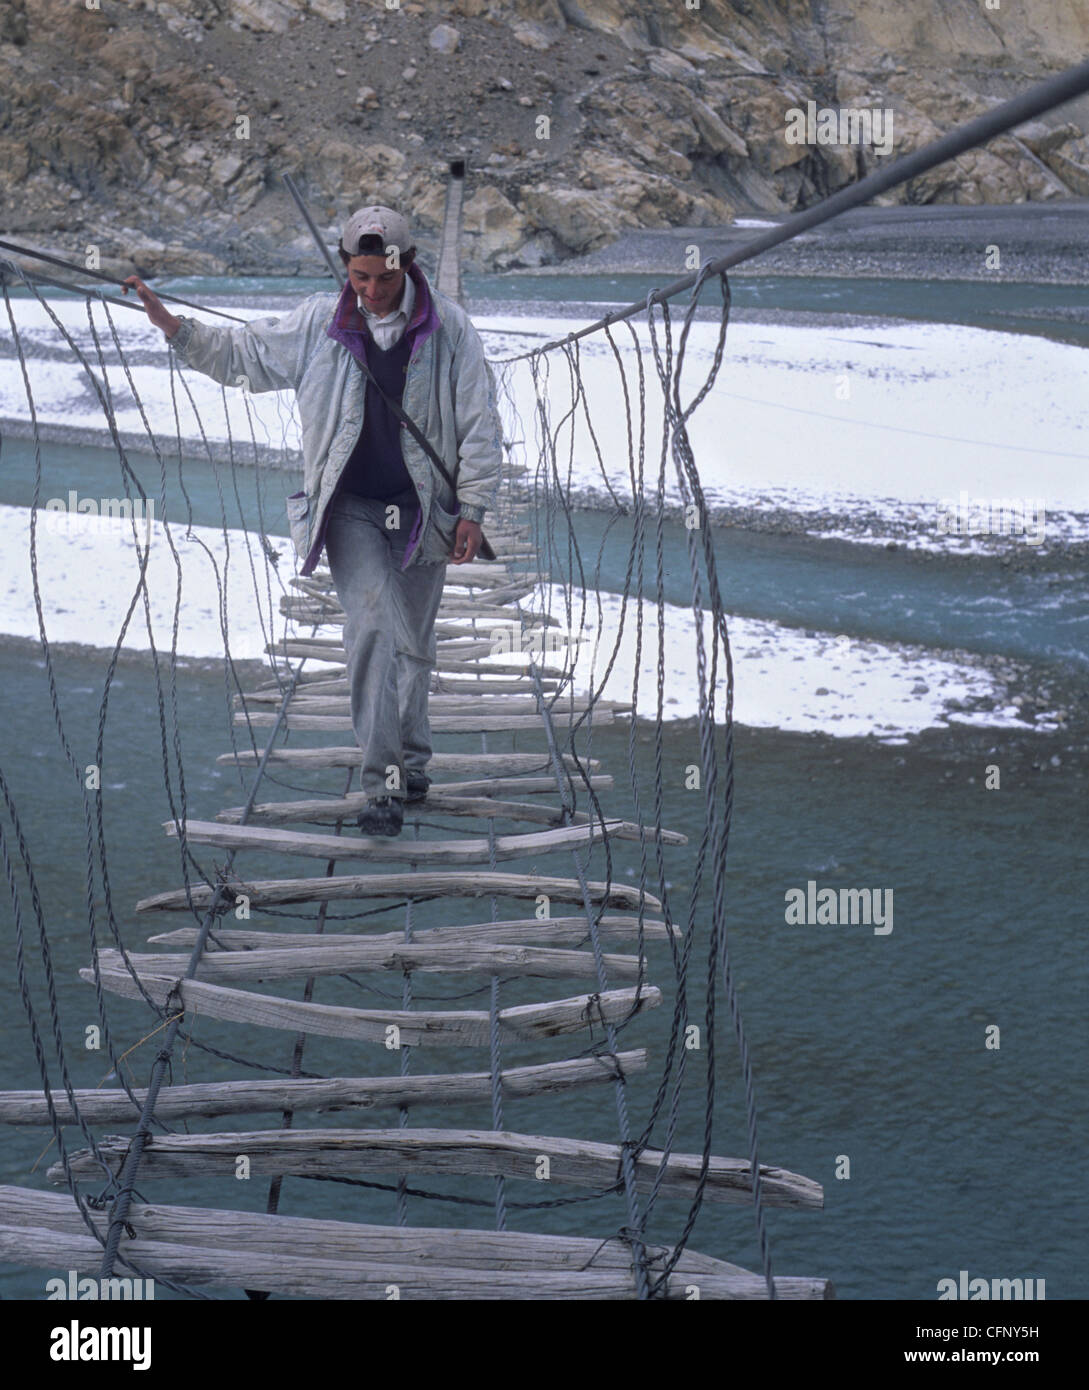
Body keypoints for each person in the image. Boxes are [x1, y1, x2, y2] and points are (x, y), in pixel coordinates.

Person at [123, 204, 502, 837]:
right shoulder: (315, 327)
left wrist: (476, 507)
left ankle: (412, 761)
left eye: (382, 278)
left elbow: (479, 423)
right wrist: (171, 324)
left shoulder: (452, 332)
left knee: (414, 643)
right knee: (373, 624)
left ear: (406, 265)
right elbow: (240, 353)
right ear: (346, 269)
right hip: (349, 508)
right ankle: (381, 781)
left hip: (421, 511)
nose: (371, 292)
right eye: (358, 278)